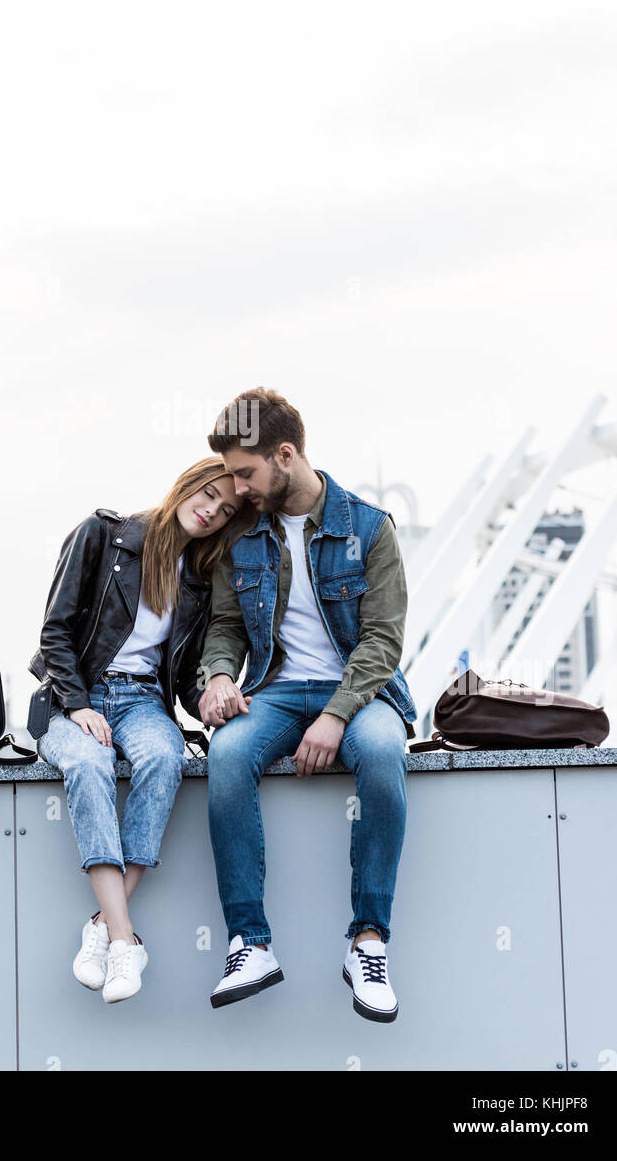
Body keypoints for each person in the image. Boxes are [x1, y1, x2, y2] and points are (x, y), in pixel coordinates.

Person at [197, 388, 418, 1020]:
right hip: (277, 691)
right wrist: (217, 675)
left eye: (246, 472)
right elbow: (226, 627)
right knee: (228, 754)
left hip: (358, 690)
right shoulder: (243, 536)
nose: (237, 489)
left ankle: (367, 943)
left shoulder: (369, 529)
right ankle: (250, 942)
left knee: (379, 751)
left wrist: (336, 715)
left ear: (286, 455)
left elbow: (382, 641)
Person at [27, 458, 256, 1004]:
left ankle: (105, 929)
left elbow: (186, 677)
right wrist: (79, 705)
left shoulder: (198, 579)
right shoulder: (103, 537)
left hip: (143, 701)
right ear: (188, 482)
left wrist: (217, 699)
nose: (211, 511)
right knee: (88, 763)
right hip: (72, 698)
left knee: (163, 758)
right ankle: (127, 940)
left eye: (225, 510)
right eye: (208, 494)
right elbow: (54, 631)